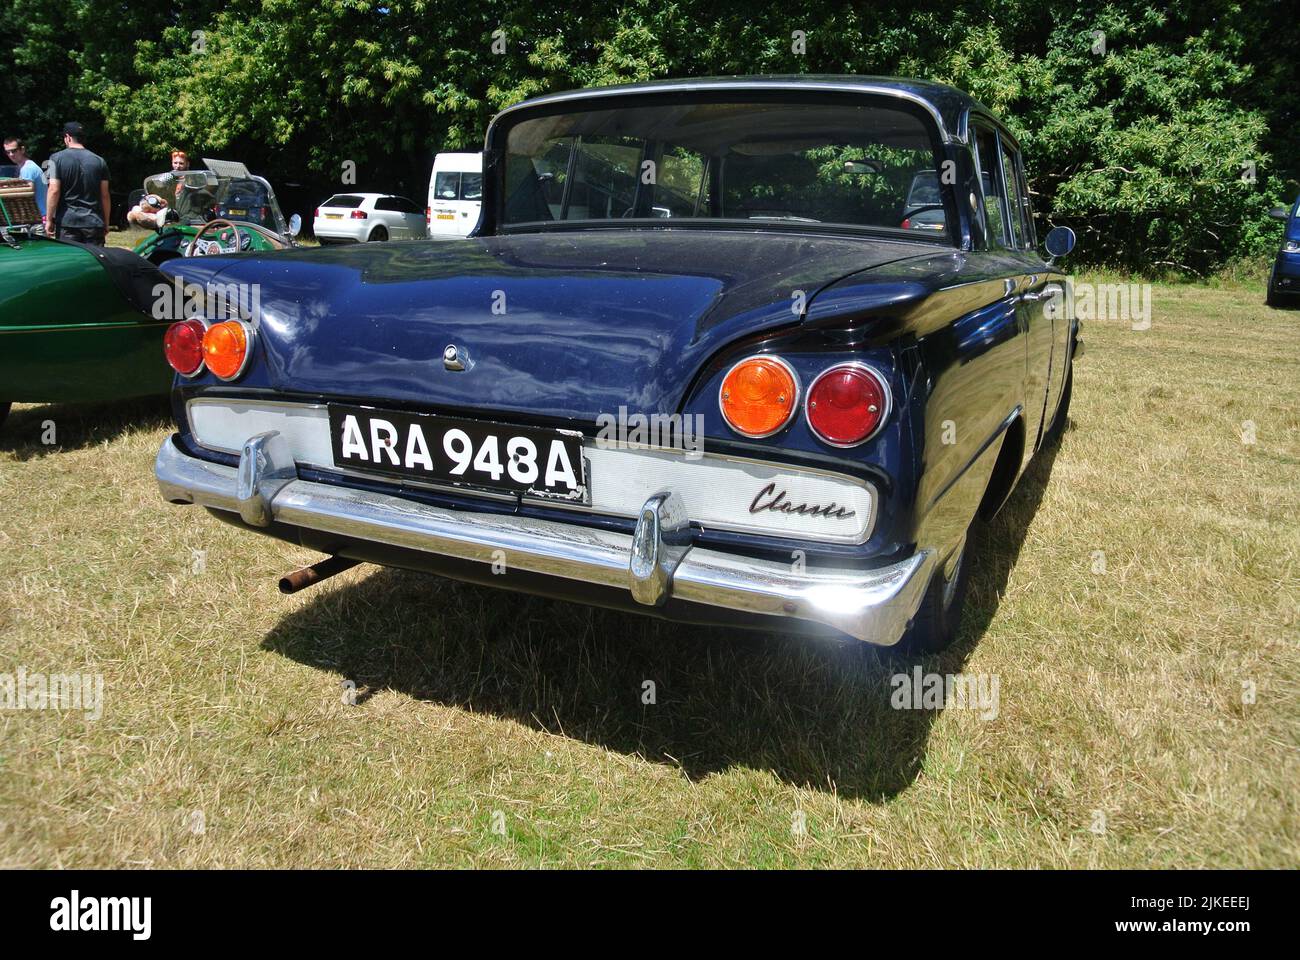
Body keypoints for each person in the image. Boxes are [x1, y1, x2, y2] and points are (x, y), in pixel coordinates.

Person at [44, 122, 110, 244]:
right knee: (94, 256)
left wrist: (49, 219)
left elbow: (54, 190)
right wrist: (106, 222)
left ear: (67, 137)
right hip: (93, 222)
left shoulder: (55, 159)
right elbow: (104, 195)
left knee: (70, 256)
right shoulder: (99, 161)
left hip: (67, 223)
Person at [3, 137, 47, 217]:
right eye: (7, 152)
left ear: (22, 150)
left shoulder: (27, 169)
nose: (11, 155)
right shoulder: (27, 166)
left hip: (38, 217)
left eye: (14, 151)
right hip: (40, 215)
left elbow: (26, 195)